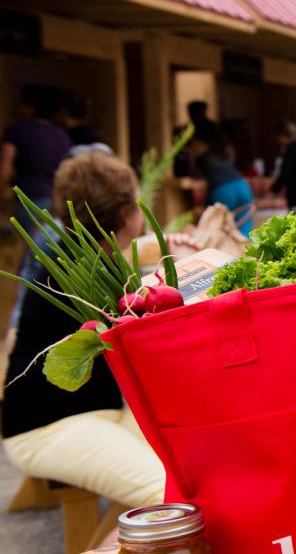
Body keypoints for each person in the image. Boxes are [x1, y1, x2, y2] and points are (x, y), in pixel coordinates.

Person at [3, 153, 187, 510]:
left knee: (194, 465)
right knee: (167, 492)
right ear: (125, 214)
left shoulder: (86, 259)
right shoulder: (76, 273)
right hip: (49, 427)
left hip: (102, 411)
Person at [1, 84, 72, 227]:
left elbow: (5, 169)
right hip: (59, 204)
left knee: (32, 247)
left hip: (31, 201)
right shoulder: (63, 135)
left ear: (30, 106)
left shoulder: (17, 130)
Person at [190, 130, 253, 235]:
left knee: (224, 231)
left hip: (224, 191)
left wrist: (192, 156)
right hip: (242, 185)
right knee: (245, 231)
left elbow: (194, 175)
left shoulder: (202, 157)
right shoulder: (223, 152)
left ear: (200, 143)